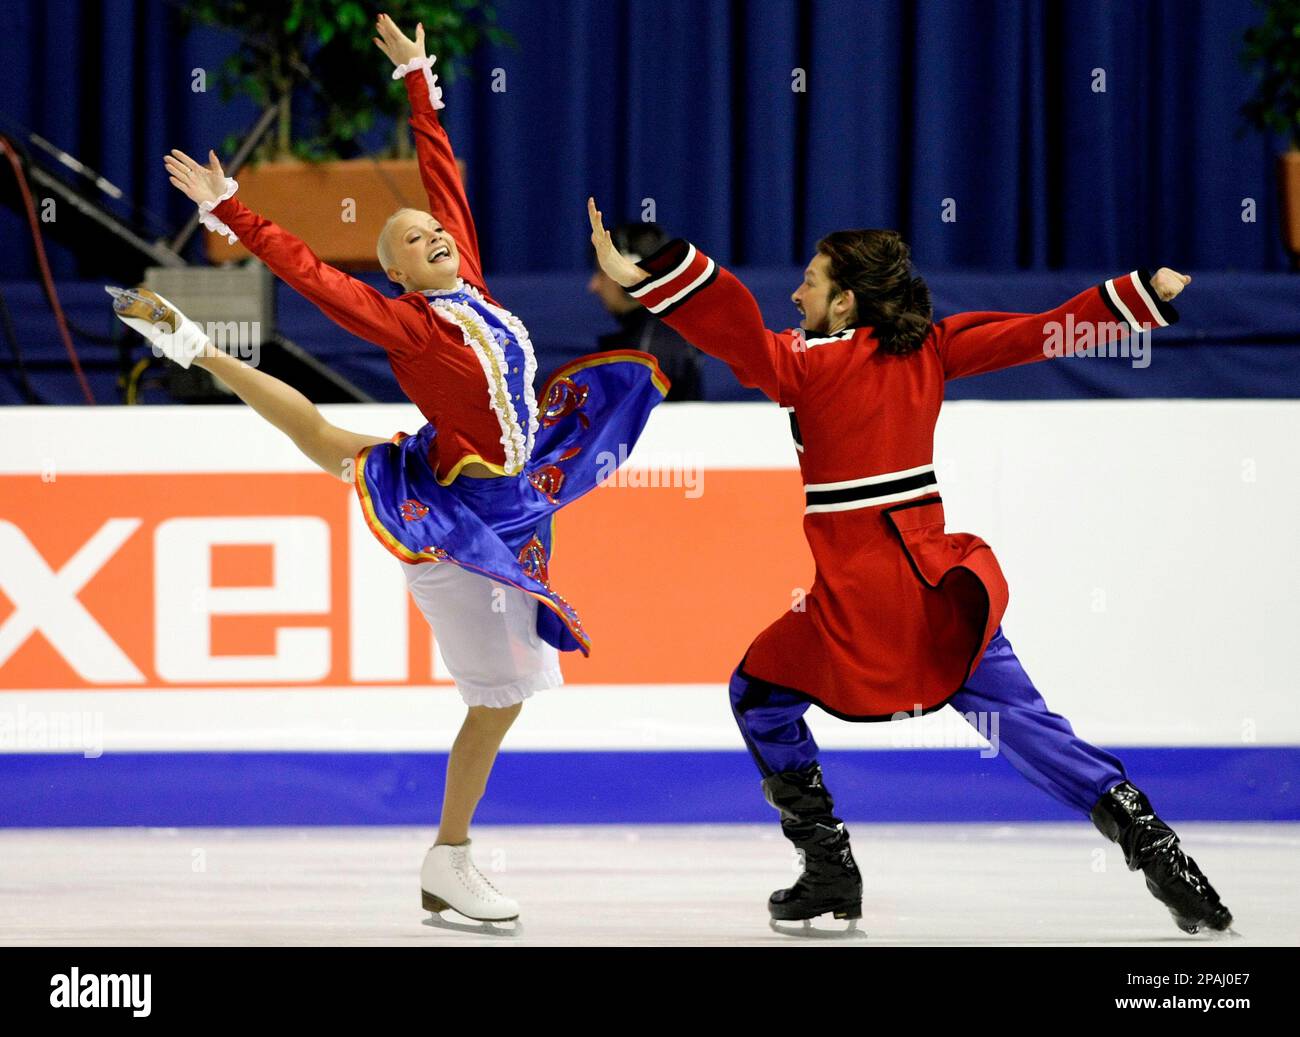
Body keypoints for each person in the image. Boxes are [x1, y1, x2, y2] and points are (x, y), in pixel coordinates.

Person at [136, 14, 669, 929]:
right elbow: (310, 272)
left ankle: (192, 349)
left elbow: (443, 177)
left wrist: (420, 80)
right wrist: (231, 211)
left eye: (435, 231)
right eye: (411, 241)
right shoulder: (408, 322)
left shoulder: (472, 291)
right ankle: (450, 858)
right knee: (501, 700)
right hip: (463, 522)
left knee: (335, 448)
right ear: (393, 273)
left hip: (517, 492)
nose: (431, 233)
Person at [588, 198, 1233, 937]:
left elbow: (731, 324)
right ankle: (1161, 853)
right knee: (1030, 728)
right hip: (938, 591)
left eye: (809, 281)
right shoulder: (929, 348)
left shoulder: (799, 365)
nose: (795, 295)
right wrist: (1138, 298)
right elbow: (1037, 332)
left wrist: (642, 275)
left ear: (845, 300)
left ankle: (828, 864)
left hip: (857, 606)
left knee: (758, 693)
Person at [588, 221, 703, 401]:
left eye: (602, 273)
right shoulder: (662, 339)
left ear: (626, 274)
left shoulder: (646, 356)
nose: (593, 286)